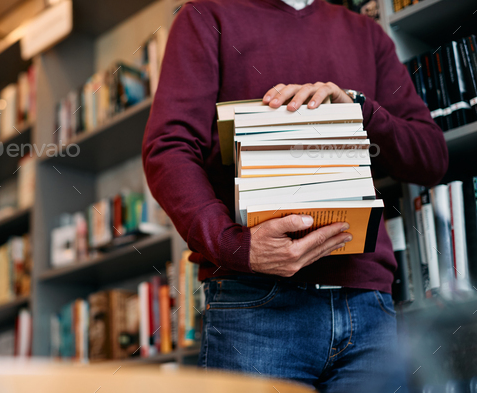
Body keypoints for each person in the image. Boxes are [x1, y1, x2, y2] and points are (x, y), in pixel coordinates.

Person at [142, 0, 448, 392]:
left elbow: (432, 158)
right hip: (255, 305)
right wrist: (233, 245)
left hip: (368, 303)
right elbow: (168, 148)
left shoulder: (367, 33)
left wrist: (359, 110)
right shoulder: (206, 15)